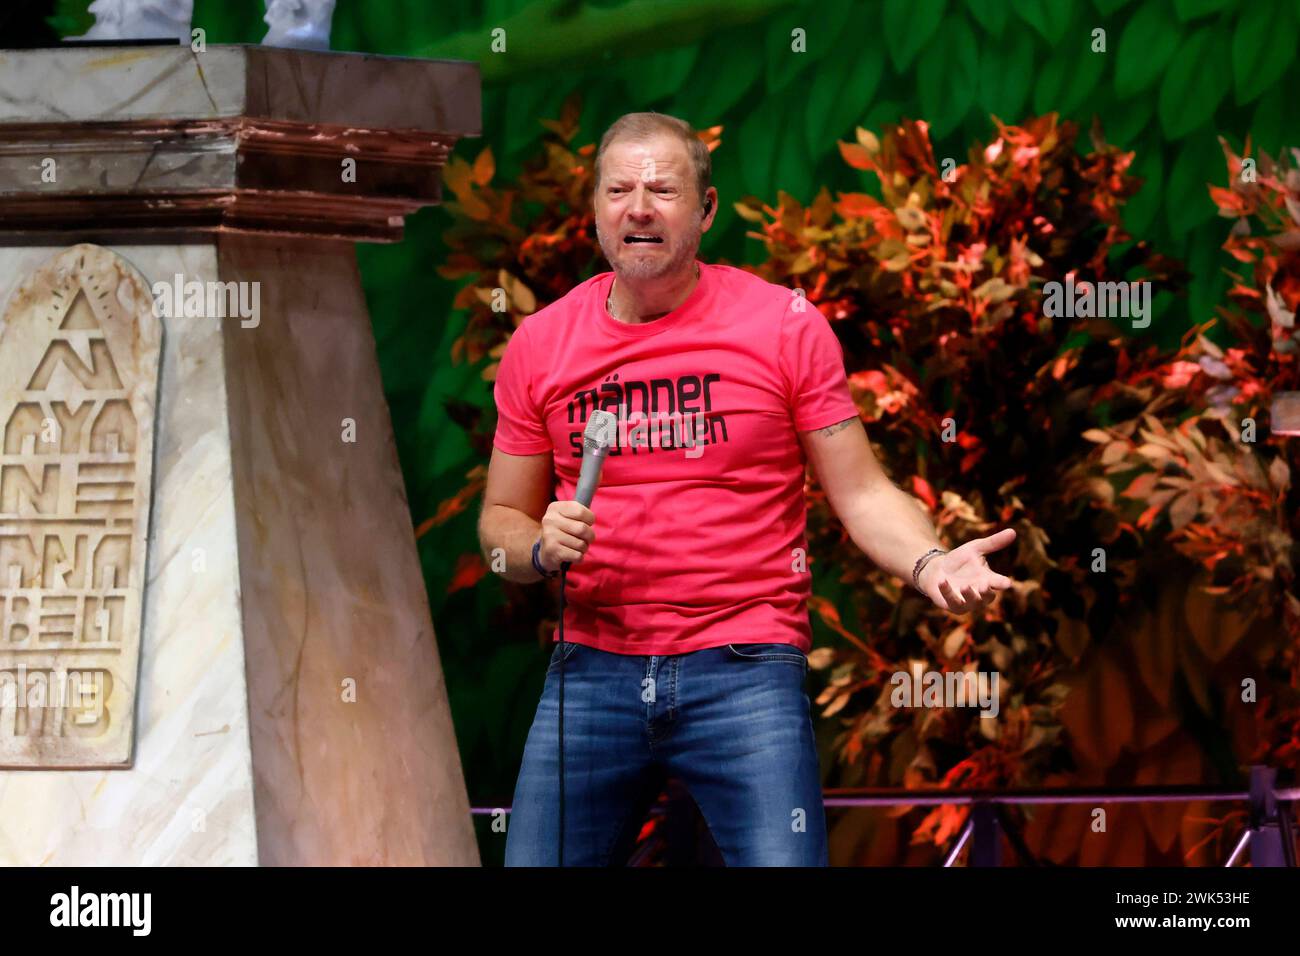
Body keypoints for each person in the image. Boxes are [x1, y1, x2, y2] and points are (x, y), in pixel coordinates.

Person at [477, 111, 1017, 866]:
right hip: (592, 668)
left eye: (663, 189)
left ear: (706, 211)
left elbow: (861, 493)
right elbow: (499, 519)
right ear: (596, 209)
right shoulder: (542, 344)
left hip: (744, 666)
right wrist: (535, 548)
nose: (639, 206)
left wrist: (930, 563)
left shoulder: (783, 327)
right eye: (619, 189)